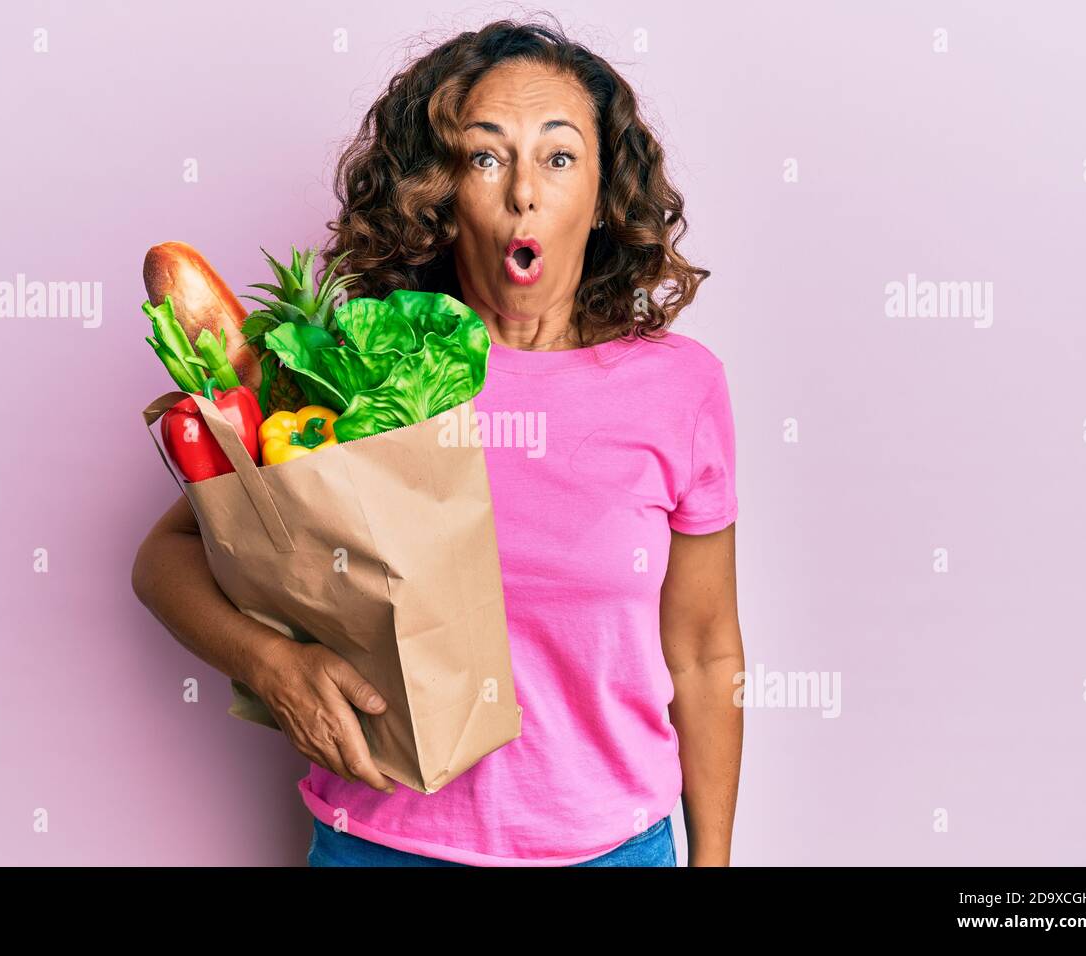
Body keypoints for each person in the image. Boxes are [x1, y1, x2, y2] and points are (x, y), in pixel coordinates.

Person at [132, 18, 743, 868]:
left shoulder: (680, 388)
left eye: (559, 158)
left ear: (604, 196)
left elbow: (708, 654)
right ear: (439, 193)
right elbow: (164, 558)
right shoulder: (357, 363)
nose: (523, 191)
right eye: (485, 158)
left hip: (613, 851)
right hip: (379, 843)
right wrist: (273, 664)